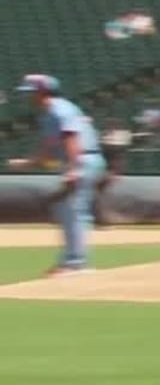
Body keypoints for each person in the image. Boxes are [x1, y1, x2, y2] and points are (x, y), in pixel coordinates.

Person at [15, 75, 107, 276]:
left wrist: (74, 168)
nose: (29, 97)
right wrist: (29, 162)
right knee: (65, 208)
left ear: (43, 91)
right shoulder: (48, 113)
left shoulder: (60, 108)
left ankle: (75, 263)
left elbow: (71, 137)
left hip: (84, 160)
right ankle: (72, 260)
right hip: (81, 160)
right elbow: (49, 146)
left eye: (31, 92)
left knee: (73, 210)